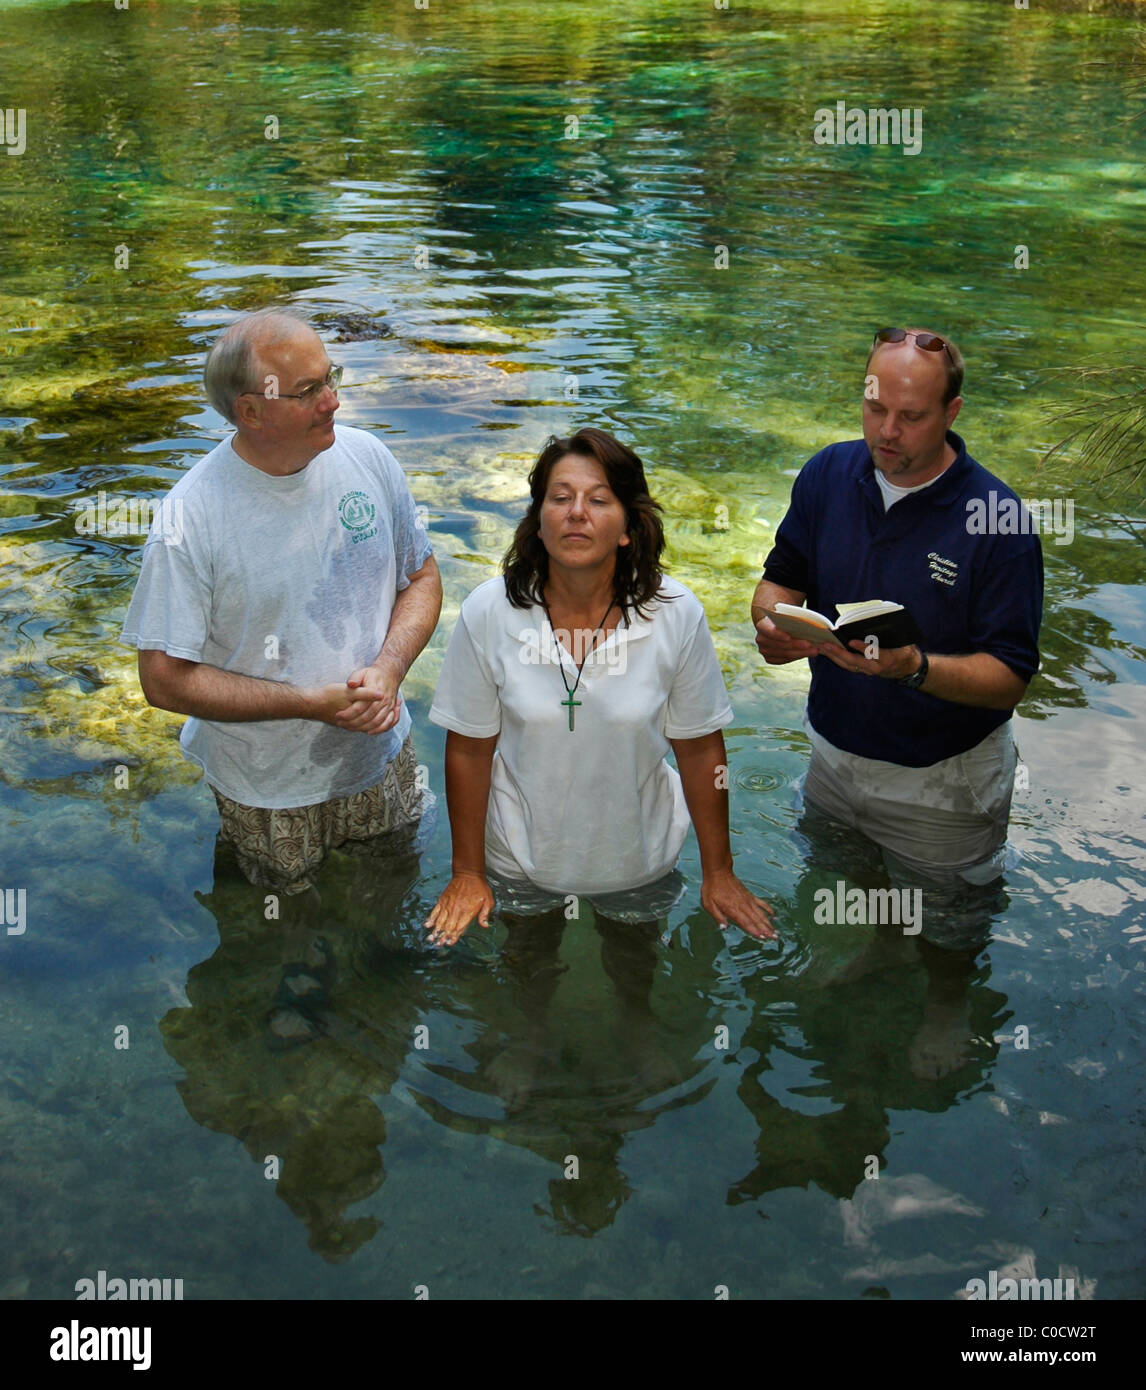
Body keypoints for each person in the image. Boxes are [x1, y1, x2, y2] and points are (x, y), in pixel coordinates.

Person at [122, 307, 442, 894]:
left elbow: (420, 576)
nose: (334, 402)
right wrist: (306, 702)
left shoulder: (368, 458)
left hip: (382, 756)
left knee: (390, 899)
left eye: (331, 378)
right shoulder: (190, 519)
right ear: (250, 411)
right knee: (283, 937)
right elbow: (162, 679)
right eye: (308, 391)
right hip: (268, 790)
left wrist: (391, 668)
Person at [425, 426, 775, 950]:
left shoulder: (675, 614)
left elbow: (701, 750)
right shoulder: (489, 612)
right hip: (520, 862)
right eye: (559, 498)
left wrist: (718, 871)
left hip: (637, 859)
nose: (576, 512)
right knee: (527, 986)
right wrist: (467, 873)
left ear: (629, 527)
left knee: (637, 994)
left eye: (599, 499)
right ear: (538, 523)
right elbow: (470, 750)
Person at [752, 326, 1043, 890]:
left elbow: (1010, 678)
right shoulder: (827, 474)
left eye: (910, 416)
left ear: (952, 412)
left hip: (943, 782)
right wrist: (772, 622)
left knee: (948, 937)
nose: (886, 432)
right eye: (874, 407)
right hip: (831, 755)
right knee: (834, 897)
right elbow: (781, 578)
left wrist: (915, 669)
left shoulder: (998, 520)